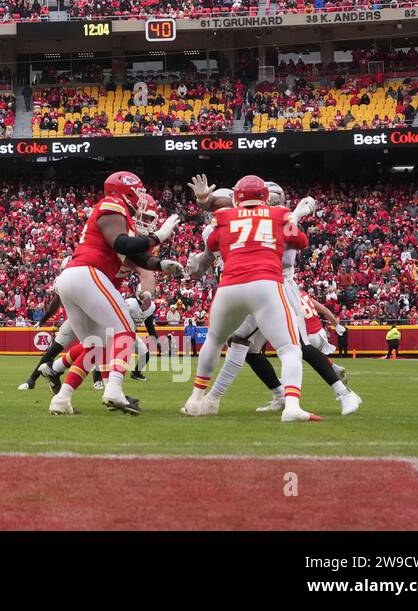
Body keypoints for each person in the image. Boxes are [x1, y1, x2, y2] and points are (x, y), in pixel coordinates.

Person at [182, 174, 318, 423]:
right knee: (289, 349)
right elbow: (301, 241)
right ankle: (291, 406)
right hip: (266, 284)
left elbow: (212, 244)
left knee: (213, 340)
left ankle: (195, 399)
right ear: (265, 196)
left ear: (236, 197)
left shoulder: (224, 216)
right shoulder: (280, 214)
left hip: (230, 286)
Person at [46, 171, 184, 416]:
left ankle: (62, 398)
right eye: (138, 191)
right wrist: (158, 236)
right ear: (126, 191)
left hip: (74, 279)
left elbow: (138, 258)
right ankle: (114, 389)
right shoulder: (113, 204)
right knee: (126, 330)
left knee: (95, 346)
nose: (141, 197)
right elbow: (122, 244)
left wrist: (162, 265)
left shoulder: (120, 217)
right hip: (87, 274)